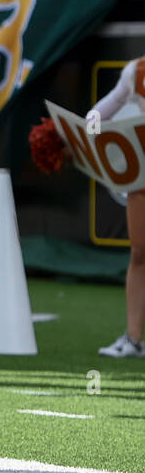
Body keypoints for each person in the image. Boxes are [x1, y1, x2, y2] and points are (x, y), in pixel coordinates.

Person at [89, 58, 145, 357]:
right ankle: (134, 339)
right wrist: (84, 136)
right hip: (143, 178)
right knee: (139, 253)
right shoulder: (136, 71)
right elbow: (97, 115)